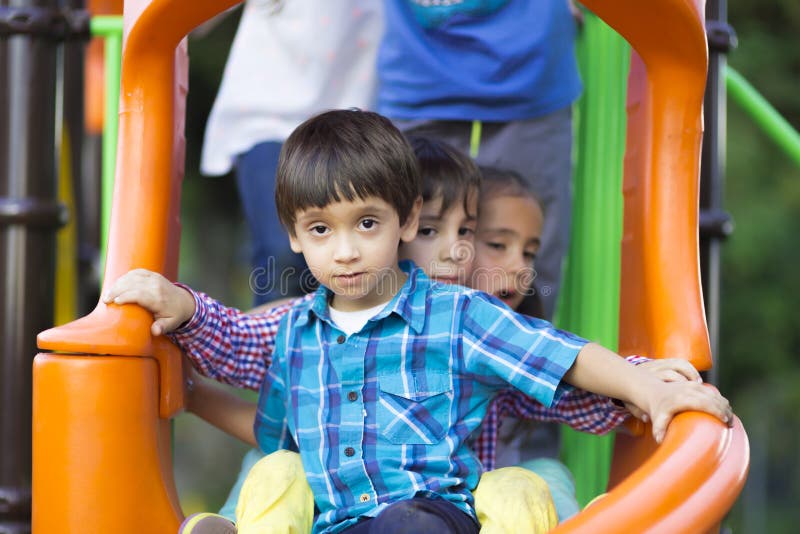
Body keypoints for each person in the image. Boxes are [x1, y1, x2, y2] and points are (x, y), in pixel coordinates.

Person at [105, 110, 732, 533]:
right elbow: (234, 343)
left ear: (404, 223)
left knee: (475, 500)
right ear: (296, 238)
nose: (345, 251)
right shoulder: (296, 327)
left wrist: (645, 384)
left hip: (431, 514)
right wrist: (182, 306)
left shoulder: (456, 316)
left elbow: (554, 354)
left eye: (367, 225)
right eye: (322, 231)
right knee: (275, 470)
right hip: (337, 520)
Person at [377, 0, 583, 321]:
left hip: (530, 66)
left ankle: (521, 359)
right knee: (398, 233)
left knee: (524, 240)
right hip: (417, 64)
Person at [201, 0, 384, 304]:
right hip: (267, 118)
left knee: (351, 254)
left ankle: (331, 344)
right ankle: (274, 348)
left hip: (353, 119)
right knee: (282, 253)